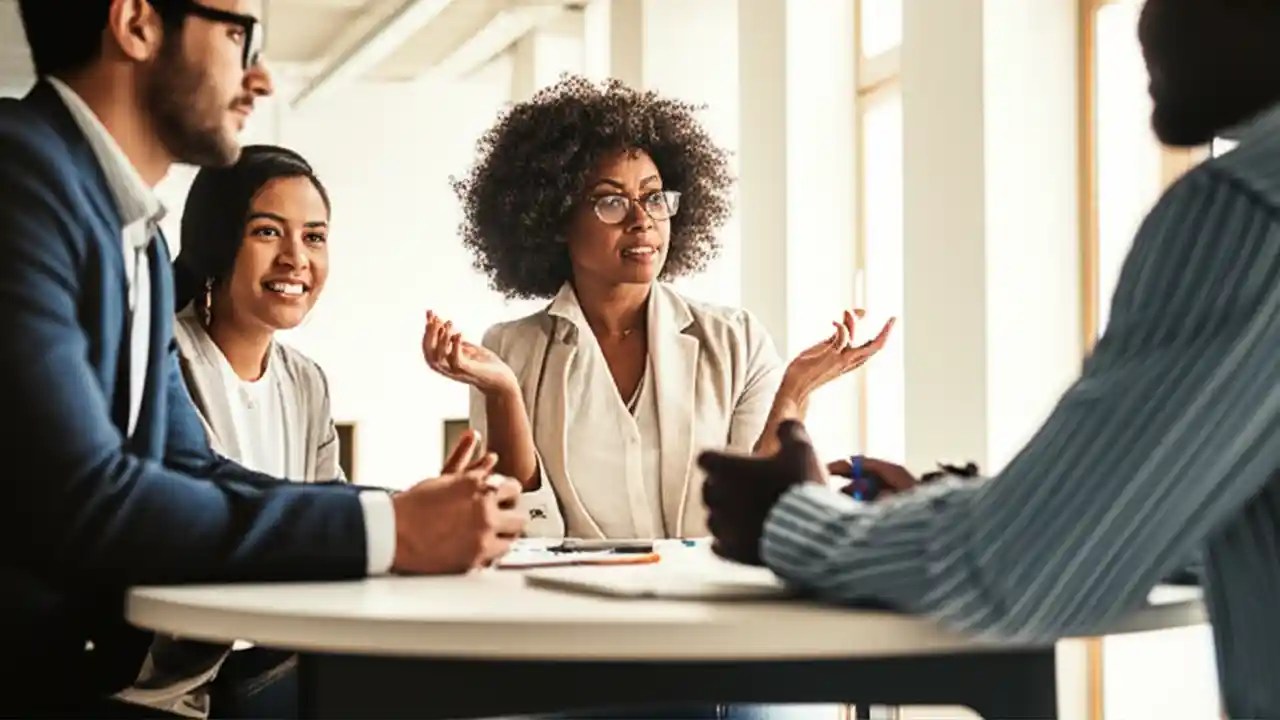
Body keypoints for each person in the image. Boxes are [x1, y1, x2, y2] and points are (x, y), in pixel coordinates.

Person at [698, 0, 1280, 716]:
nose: (1144, 26)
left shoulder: (1248, 208)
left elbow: (1030, 570)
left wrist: (793, 519)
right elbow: (1179, 524)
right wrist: (971, 510)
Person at [0, 2, 523, 716]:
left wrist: (396, 512)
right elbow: (83, 497)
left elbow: (189, 466)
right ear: (136, 24)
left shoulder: (140, 242)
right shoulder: (19, 182)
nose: (262, 78)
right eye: (240, 35)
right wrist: (390, 532)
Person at [425, 75, 893, 541]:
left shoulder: (736, 340)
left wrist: (793, 392)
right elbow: (522, 527)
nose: (641, 220)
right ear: (555, 218)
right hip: (568, 607)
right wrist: (506, 392)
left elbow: (757, 511)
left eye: (653, 197)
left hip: (708, 604)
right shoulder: (509, 349)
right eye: (611, 201)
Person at [114, 144, 350, 718]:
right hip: (168, 683)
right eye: (268, 233)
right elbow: (190, 529)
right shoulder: (157, 357)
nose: (297, 258)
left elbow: (330, 519)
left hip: (279, 667)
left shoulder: (307, 382)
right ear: (220, 239)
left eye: (314, 237)